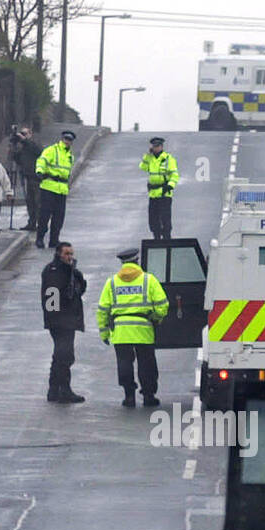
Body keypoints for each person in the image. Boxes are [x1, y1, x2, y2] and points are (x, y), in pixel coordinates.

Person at [96, 247, 168, 407]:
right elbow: (163, 305)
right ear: (137, 261)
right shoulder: (149, 280)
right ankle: (149, 396)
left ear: (122, 263)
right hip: (143, 330)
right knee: (146, 364)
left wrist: (104, 333)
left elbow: (102, 310)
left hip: (121, 332)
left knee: (124, 364)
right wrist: (155, 318)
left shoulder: (112, 282)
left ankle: (129, 396)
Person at [40, 242, 87, 404]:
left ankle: (53, 390)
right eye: (67, 254)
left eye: (71, 254)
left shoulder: (68, 271)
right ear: (58, 254)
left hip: (66, 321)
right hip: (61, 322)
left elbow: (79, 289)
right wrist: (56, 321)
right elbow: (52, 297)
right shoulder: (55, 271)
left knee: (60, 355)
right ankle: (64, 390)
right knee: (65, 356)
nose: (70, 257)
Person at [35, 129, 76, 249]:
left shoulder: (70, 156)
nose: (67, 142)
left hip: (62, 189)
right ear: (62, 139)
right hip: (49, 186)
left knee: (58, 217)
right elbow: (42, 160)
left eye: (70, 140)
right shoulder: (52, 150)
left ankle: (54, 240)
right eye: (66, 139)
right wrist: (40, 171)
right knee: (44, 215)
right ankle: (40, 239)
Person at [139, 136, 179, 240]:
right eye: (154, 146)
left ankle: (166, 238)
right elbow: (143, 167)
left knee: (165, 219)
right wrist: (147, 156)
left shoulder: (168, 158)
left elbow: (174, 175)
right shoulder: (150, 158)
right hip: (153, 194)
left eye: (157, 146)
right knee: (153, 220)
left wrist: (170, 186)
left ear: (161, 146)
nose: (155, 148)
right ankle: (156, 238)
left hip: (165, 194)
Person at [10, 126, 42, 232]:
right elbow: (16, 158)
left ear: (30, 134)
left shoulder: (34, 144)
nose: (23, 136)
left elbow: (38, 151)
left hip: (37, 178)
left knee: (38, 202)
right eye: (22, 134)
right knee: (30, 202)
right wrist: (14, 145)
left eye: (25, 134)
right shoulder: (23, 148)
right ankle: (31, 223)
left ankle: (40, 223)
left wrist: (25, 141)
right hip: (28, 177)